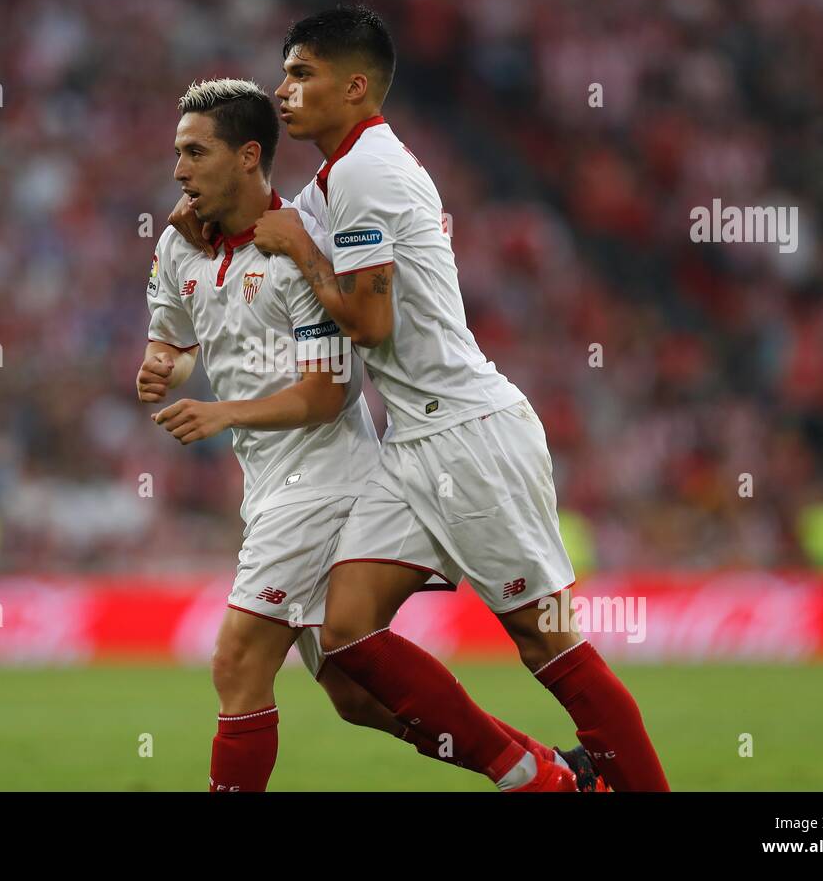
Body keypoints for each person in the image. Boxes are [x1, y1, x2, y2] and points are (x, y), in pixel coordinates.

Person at [144, 77, 582, 791]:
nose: (178, 170)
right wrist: (161, 366)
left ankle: (533, 774)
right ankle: (543, 771)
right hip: (269, 485)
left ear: (248, 156)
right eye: (177, 153)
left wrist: (222, 413)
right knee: (355, 697)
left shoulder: (298, 251)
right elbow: (173, 336)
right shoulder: (181, 246)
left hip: (323, 480)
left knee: (238, 661)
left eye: (194, 153)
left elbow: (328, 393)